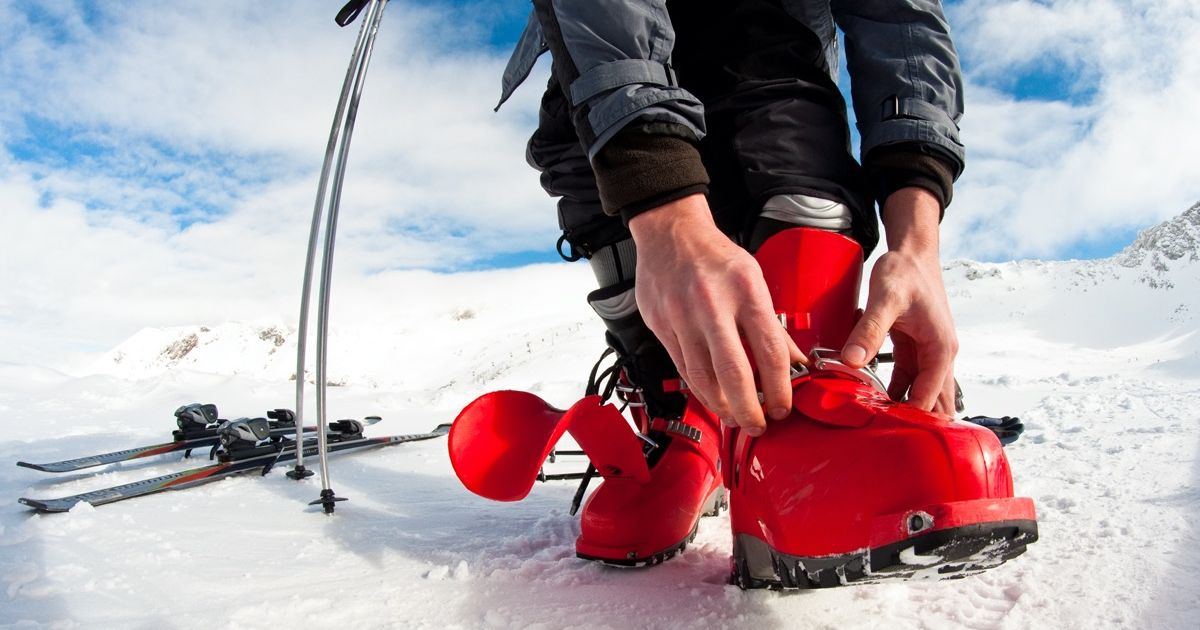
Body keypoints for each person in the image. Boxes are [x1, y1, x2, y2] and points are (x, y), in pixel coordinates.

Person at [495, 0, 967, 568]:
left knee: (794, 171)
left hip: (768, 36)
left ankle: (811, 412)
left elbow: (899, 17)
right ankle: (683, 417)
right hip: (599, 39)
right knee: (600, 196)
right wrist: (662, 206)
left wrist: (916, 243)